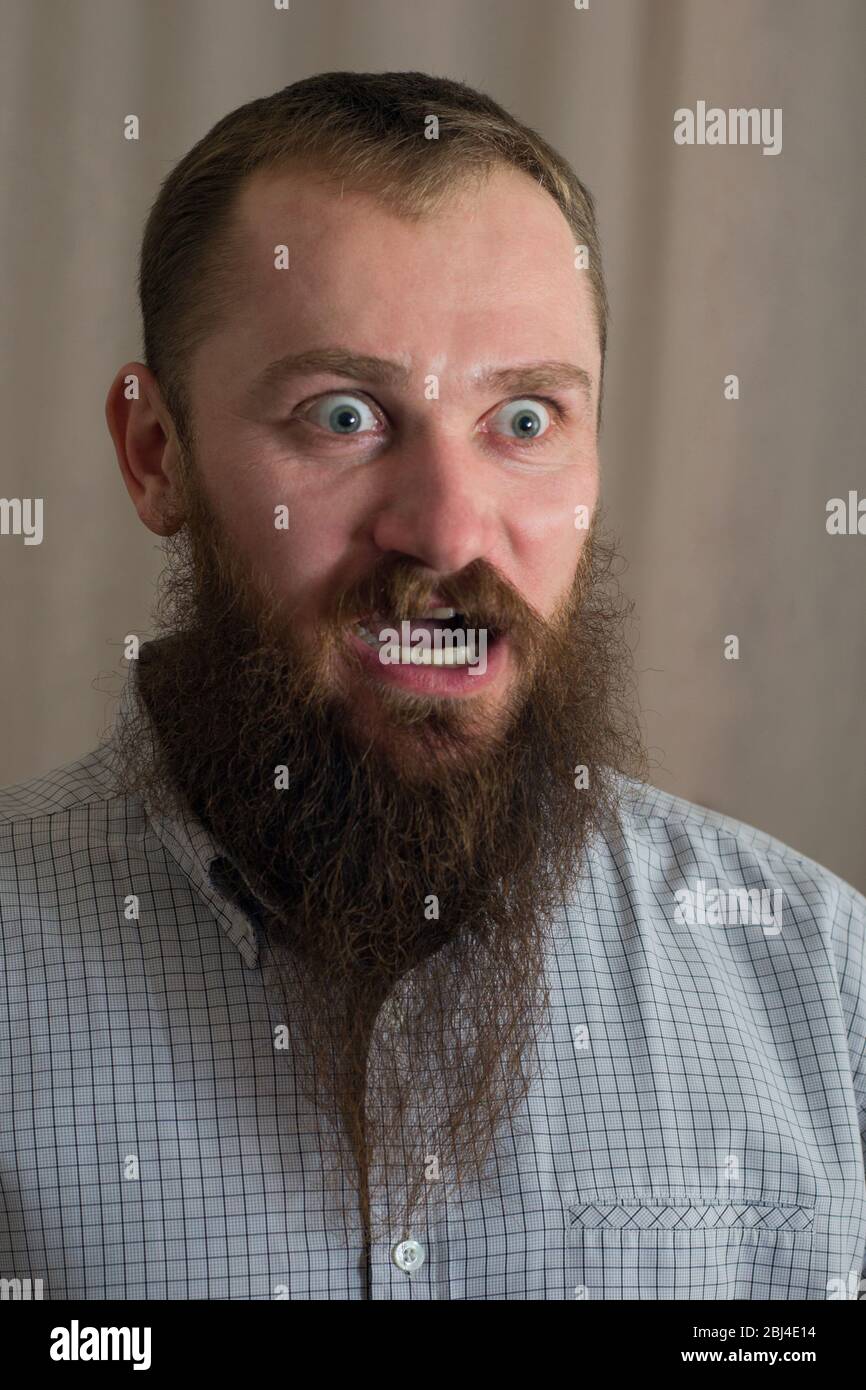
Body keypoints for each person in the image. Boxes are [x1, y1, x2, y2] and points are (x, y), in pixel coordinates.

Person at [1, 70, 863, 1301]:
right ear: (156, 454)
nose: (449, 532)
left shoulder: (824, 991)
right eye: (343, 415)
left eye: (523, 420)